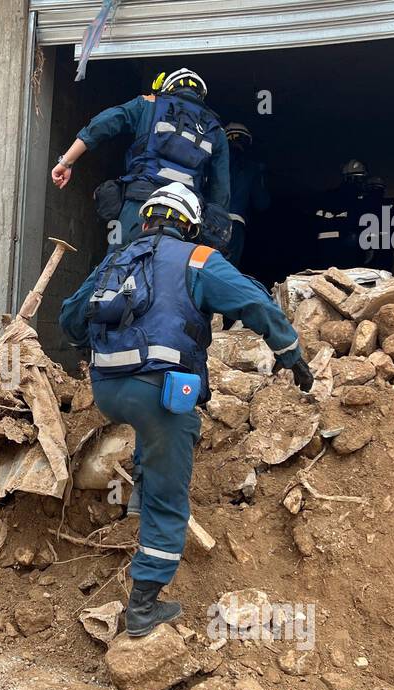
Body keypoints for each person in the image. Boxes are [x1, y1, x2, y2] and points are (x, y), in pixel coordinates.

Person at [59, 183, 313, 636]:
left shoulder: (116, 259)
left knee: (152, 435)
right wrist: (291, 353)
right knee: (170, 496)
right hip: (159, 392)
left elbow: (70, 319)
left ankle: (137, 496)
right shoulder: (198, 259)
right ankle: (142, 607)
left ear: (147, 219)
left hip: (107, 389)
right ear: (191, 225)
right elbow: (254, 302)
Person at [51, 68, 230, 251]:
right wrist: (212, 239)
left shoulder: (149, 103)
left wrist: (66, 162)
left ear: (168, 87)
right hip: (185, 218)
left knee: (118, 268)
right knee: (174, 275)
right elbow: (221, 191)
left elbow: (104, 123)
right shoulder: (216, 131)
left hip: (140, 206)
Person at [223, 122, 270, 268]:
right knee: (228, 270)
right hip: (235, 224)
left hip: (210, 221)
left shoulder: (212, 160)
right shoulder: (251, 167)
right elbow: (262, 204)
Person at [312, 159, 370, 268]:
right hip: (348, 247)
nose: (362, 182)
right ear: (354, 178)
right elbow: (360, 225)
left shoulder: (328, 196)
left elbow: (317, 221)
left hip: (325, 248)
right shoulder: (359, 200)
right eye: (361, 179)